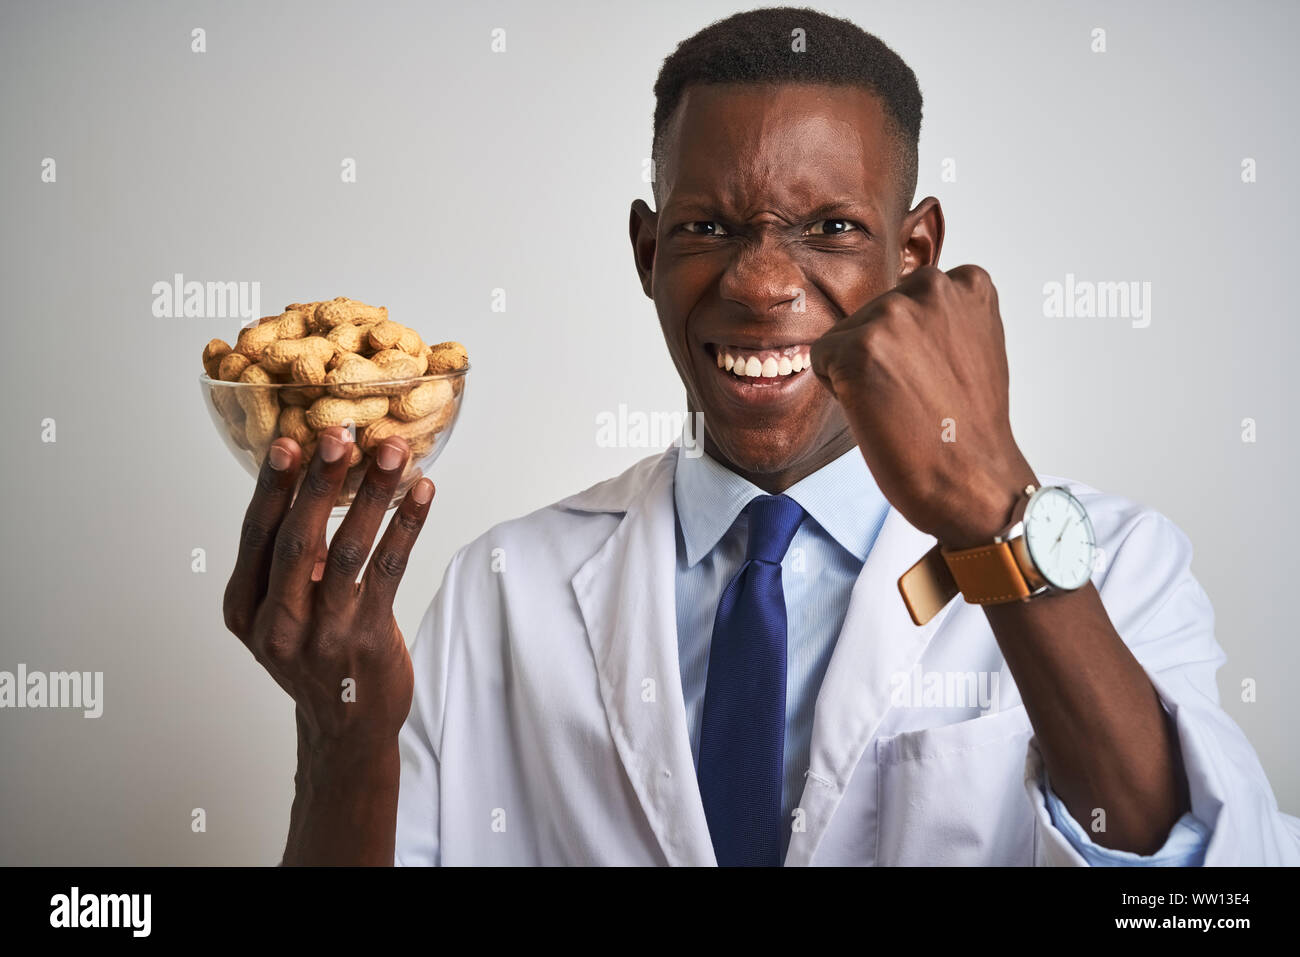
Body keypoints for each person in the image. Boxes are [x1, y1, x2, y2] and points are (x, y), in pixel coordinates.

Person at [221, 7, 1300, 866]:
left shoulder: (1116, 564)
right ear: (646, 250)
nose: (761, 283)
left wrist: (995, 510)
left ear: (915, 252)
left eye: (830, 228)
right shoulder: (506, 587)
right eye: (707, 229)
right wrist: (345, 732)